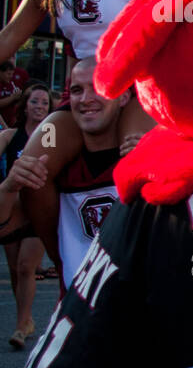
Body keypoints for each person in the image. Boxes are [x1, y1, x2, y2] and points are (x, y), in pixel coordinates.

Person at [0, 0, 163, 264]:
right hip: (82, 99)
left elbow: (189, 15)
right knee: (33, 168)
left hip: (132, 93)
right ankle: (69, 267)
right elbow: (8, 41)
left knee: (136, 164)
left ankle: (145, 268)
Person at [0, 60, 127, 290]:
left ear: (125, 96)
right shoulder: (53, 173)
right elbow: (5, 225)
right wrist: (9, 186)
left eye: (98, 87)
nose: (86, 98)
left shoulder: (148, 165)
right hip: (77, 314)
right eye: (77, 90)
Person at [0, 83, 50, 347]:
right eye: (35, 102)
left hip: (38, 211)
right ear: (25, 106)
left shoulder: (53, 136)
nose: (40, 107)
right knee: (13, 269)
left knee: (25, 267)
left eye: (44, 103)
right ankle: (25, 319)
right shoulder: (10, 136)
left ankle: (22, 325)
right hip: (11, 211)